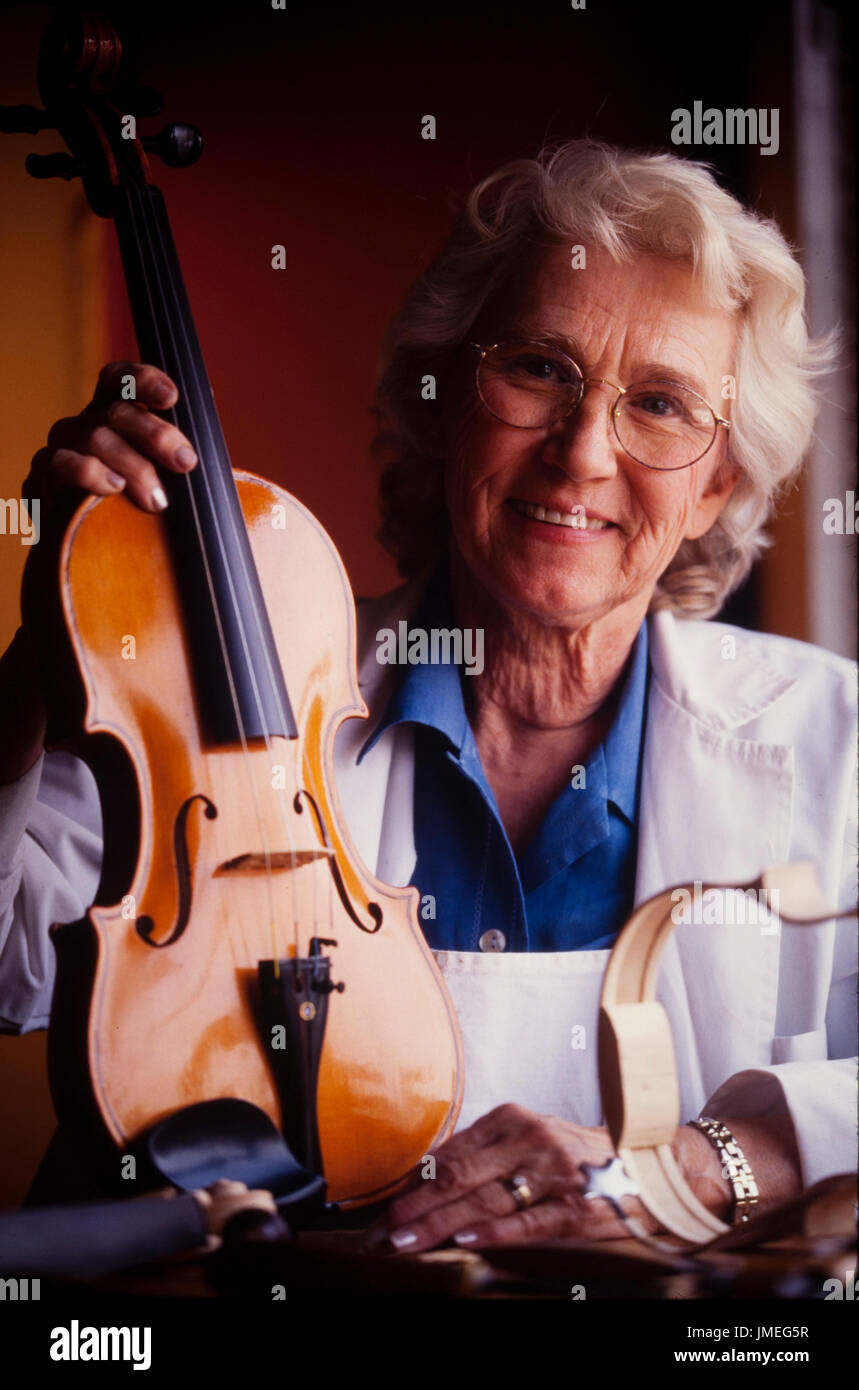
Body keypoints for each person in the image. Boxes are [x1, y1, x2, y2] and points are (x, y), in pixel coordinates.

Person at [0, 140, 855, 1254]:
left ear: (717, 486)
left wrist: (711, 1158)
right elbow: (11, 967)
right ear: (443, 400)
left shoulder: (834, 735)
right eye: (541, 368)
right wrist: (42, 649)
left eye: (659, 403)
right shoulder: (221, 694)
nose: (583, 451)